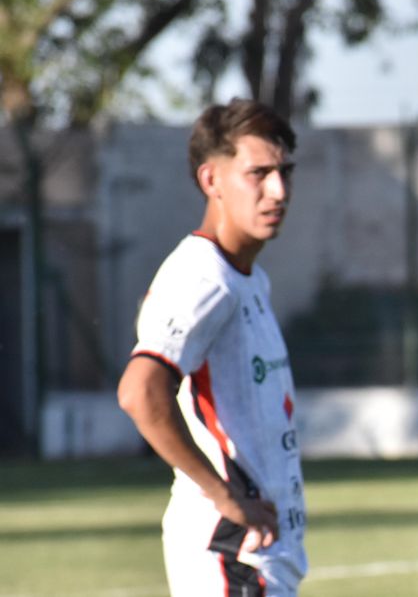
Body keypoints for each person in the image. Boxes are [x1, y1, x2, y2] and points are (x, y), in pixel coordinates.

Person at [117, 99, 307, 596]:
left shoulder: (246, 278)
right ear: (211, 180)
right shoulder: (203, 278)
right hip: (230, 557)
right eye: (258, 173)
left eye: (284, 171)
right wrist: (225, 496)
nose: (279, 190)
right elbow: (140, 392)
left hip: (257, 557)